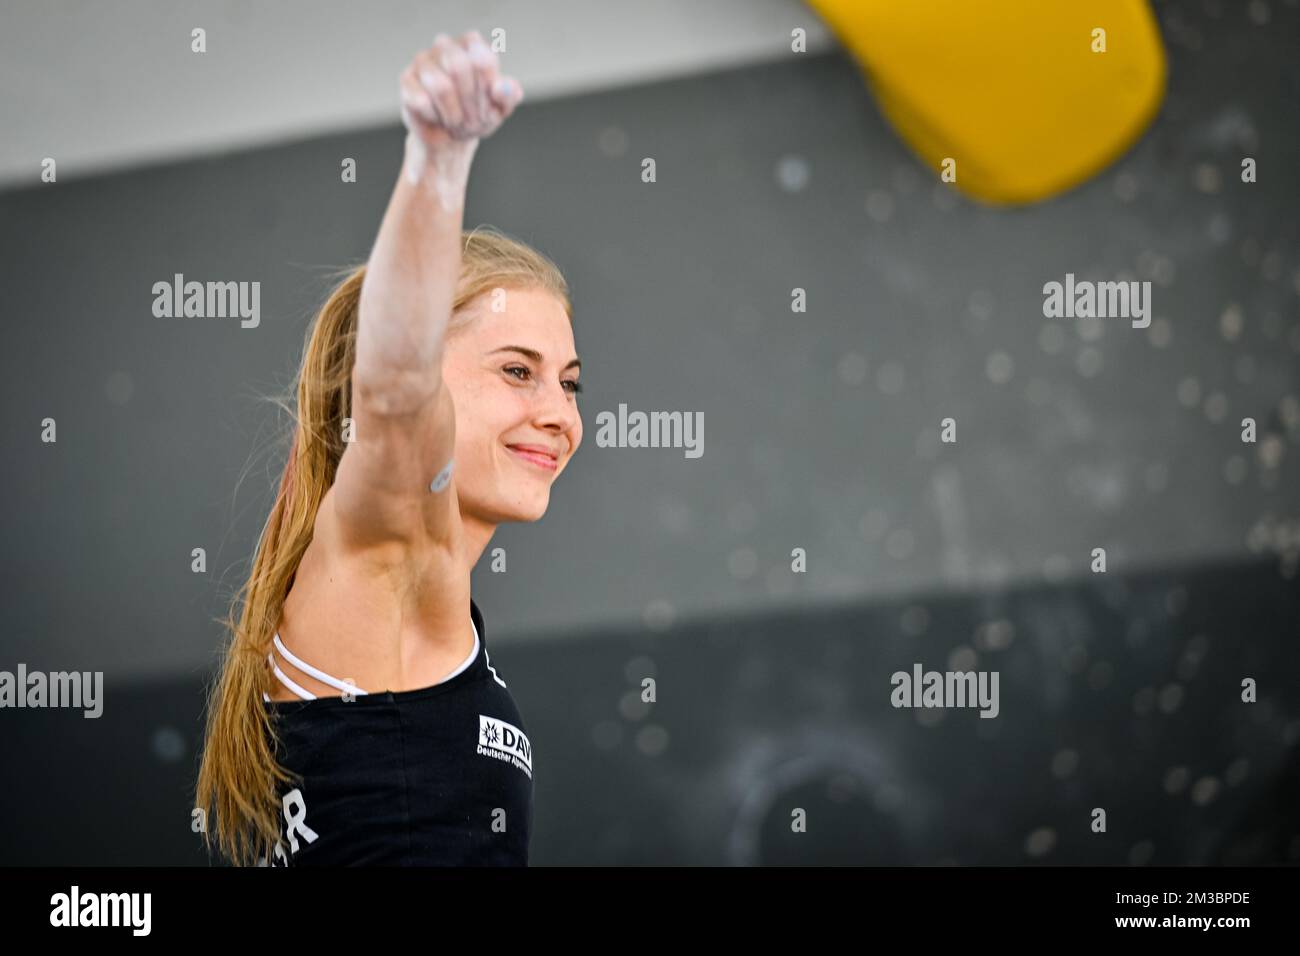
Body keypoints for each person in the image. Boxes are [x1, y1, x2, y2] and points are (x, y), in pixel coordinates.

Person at [193, 30, 583, 865]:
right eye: (518, 370)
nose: (558, 411)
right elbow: (397, 385)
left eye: (570, 382)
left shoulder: (406, 584)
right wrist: (437, 162)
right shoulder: (391, 547)